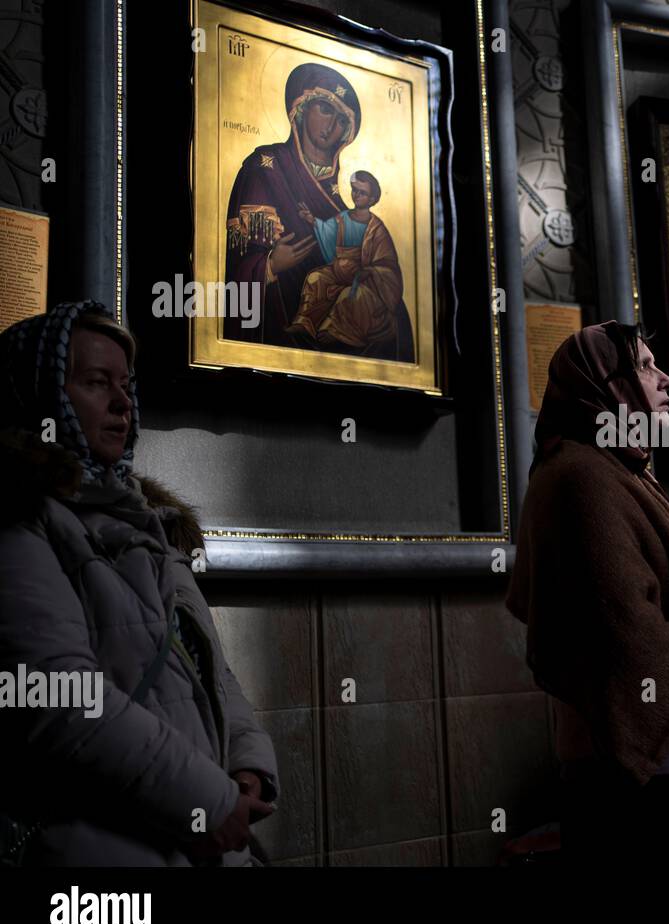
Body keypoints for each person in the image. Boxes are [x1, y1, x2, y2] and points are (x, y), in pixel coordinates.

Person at [0, 301, 278, 866]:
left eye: (125, 384)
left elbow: (207, 665)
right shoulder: (18, 519)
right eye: (97, 383)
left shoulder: (147, 521)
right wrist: (205, 799)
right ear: (42, 393)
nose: (123, 403)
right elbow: (61, 700)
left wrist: (246, 765)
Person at [506, 320, 669, 865]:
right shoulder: (582, 479)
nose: (666, 379)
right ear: (603, 386)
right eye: (645, 367)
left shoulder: (618, 471)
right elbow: (627, 641)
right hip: (655, 783)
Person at [223, 62, 413, 360]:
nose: (331, 126)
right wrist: (271, 265)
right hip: (276, 335)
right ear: (301, 107)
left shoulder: (342, 206)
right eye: (325, 108)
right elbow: (241, 263)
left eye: (341, 120)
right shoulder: (266, 168)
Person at [288, 170, 405, 355]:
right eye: (355, 190)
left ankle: (335, 331)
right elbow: (326, 231)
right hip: (339, 271)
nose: (357, 195)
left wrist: (371, 271)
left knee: (349, 294)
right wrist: (311, 220)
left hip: (366, 281)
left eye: (362, 193)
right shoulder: (342, 218)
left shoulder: (377, 229)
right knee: (315, 277)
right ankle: (306, 323)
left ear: (372, 198)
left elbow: (387, 264)